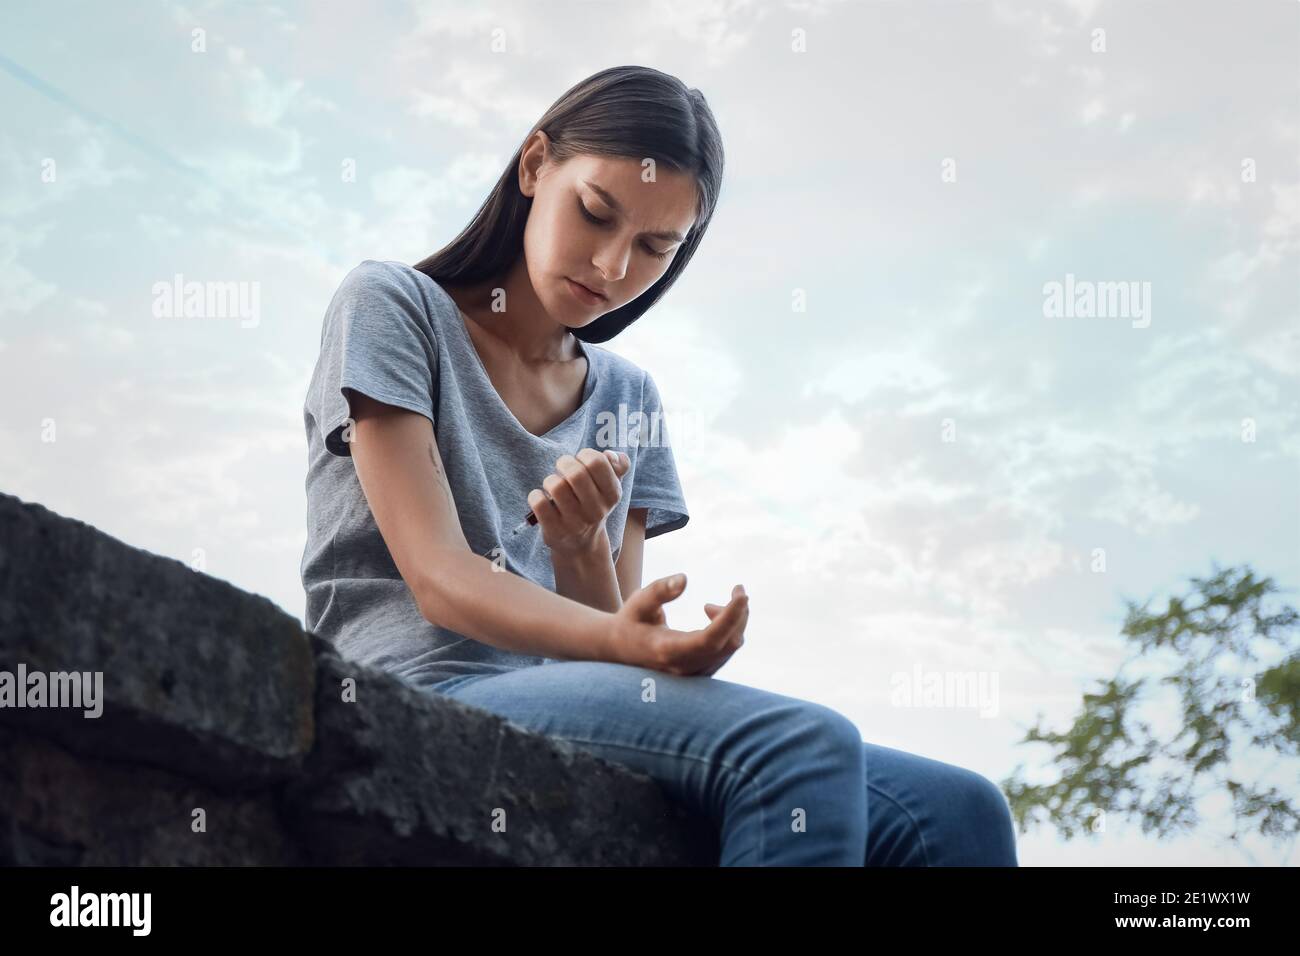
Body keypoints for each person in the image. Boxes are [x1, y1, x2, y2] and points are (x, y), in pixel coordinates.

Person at [300, 65, 1018, 866]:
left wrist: (580, 556)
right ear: (536, 165)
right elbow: (438, 577)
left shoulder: (627, 394)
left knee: (959, 813)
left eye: (654, 247)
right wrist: (636, 647)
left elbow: (608, 634)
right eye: (596, 213)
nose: (611, 267)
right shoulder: (394, 305)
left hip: (570, 707)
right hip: (413, 687)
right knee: (800, 744)